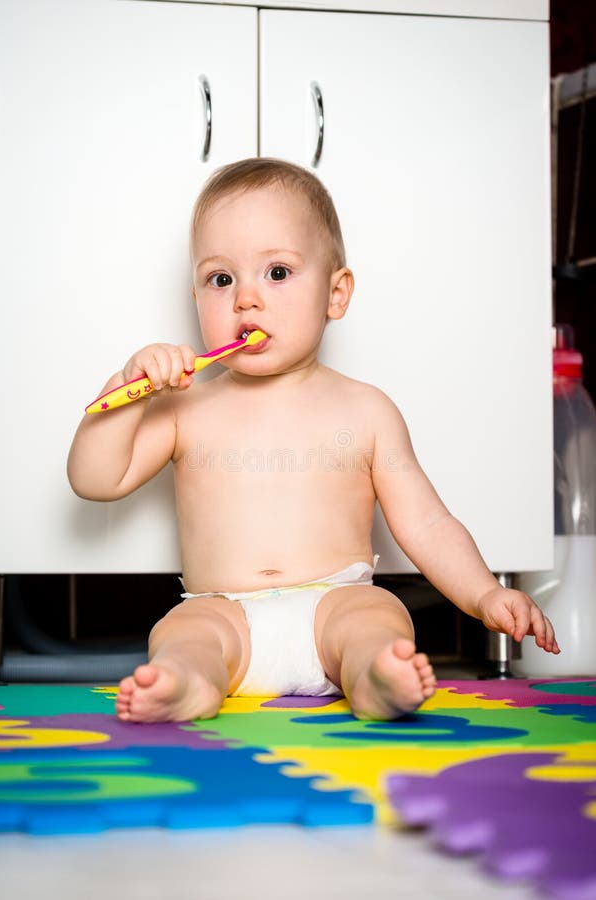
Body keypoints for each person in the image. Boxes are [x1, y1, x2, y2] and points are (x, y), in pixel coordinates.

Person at [67, 157, 559, 723]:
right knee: (180, 632)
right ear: (196, 294)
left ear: (336, 293)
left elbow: (427, 524)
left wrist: (482, 595)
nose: (246, 299)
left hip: (336, 601)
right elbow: (94, 480)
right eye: (221, 279)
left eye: (276, 273)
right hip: (223, 611)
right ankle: (188, 682)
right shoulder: (185, 408)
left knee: (378, 614)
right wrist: (129, 390)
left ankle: (375, 674)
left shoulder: (367, 409)